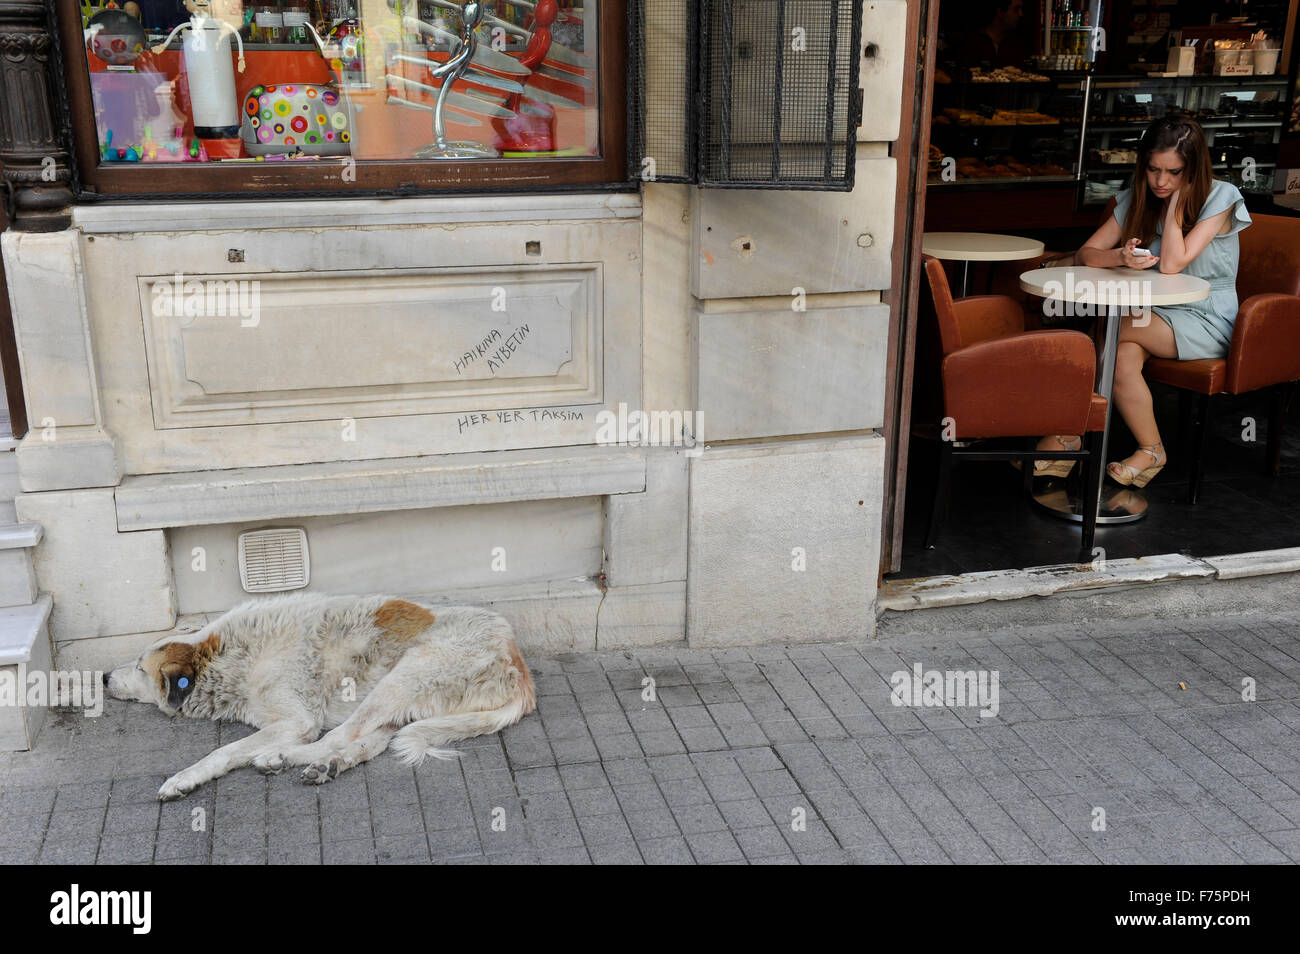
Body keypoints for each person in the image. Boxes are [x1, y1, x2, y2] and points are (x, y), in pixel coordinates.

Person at [1033, 116, 1252, 487]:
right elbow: (1088, 253)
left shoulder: (1221, 197)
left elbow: (1171, 264)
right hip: (1156, 311)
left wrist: (1177, 206)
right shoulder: (1140, 196)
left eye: (1174, 172)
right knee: (1118, 359)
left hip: (1206, 314)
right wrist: (1120, 256)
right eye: (1153, 169)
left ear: (1193, 169)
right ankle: (1152, 451)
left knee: (1115, 329)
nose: (1161, 181)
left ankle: (1071, 432)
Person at [957, 0, 1028, 69]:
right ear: (1000, 11)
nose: (1021, 14)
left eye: (1021, 9)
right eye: (1016, 9)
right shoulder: (973, 43)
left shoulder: (1016, 45)